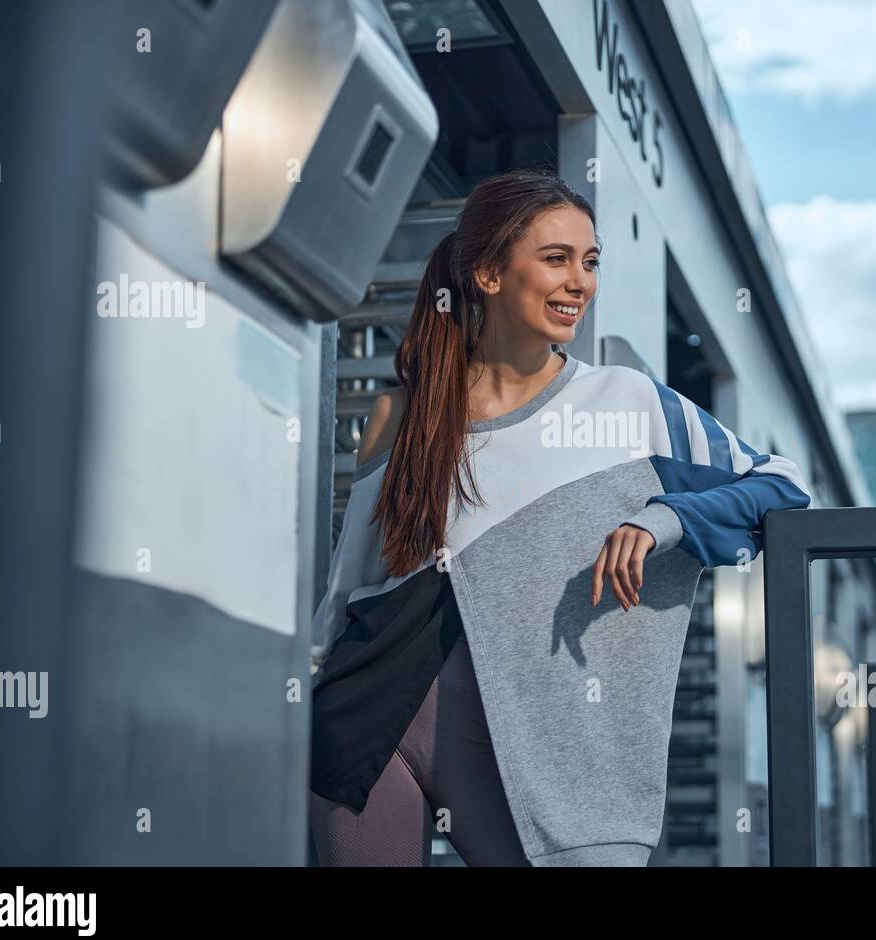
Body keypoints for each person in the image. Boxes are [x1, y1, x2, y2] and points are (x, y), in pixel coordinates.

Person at [308, 166, 813, 866]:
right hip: (368, 722)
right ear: (487, 274)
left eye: (591, 260)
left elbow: (782, 485)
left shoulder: (628, 404)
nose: (580, 281)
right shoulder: (403, 414)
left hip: (539, 753)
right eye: (556, 259)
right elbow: (348, 589)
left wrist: (659, 521)